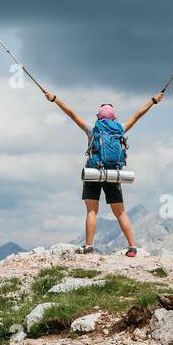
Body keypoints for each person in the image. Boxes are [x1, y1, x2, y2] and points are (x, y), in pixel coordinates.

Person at [41, 88, 162, 257]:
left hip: (93, 172)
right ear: (113, 118)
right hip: (113, 174)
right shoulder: (119, 128)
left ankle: (89, 246)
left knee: (91, 211)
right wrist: (153, 100)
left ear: (98, 117)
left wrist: (54, 99)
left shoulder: (93, 129)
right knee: (120, 213)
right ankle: (132, 247)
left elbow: (71, 113)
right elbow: (137, 115)